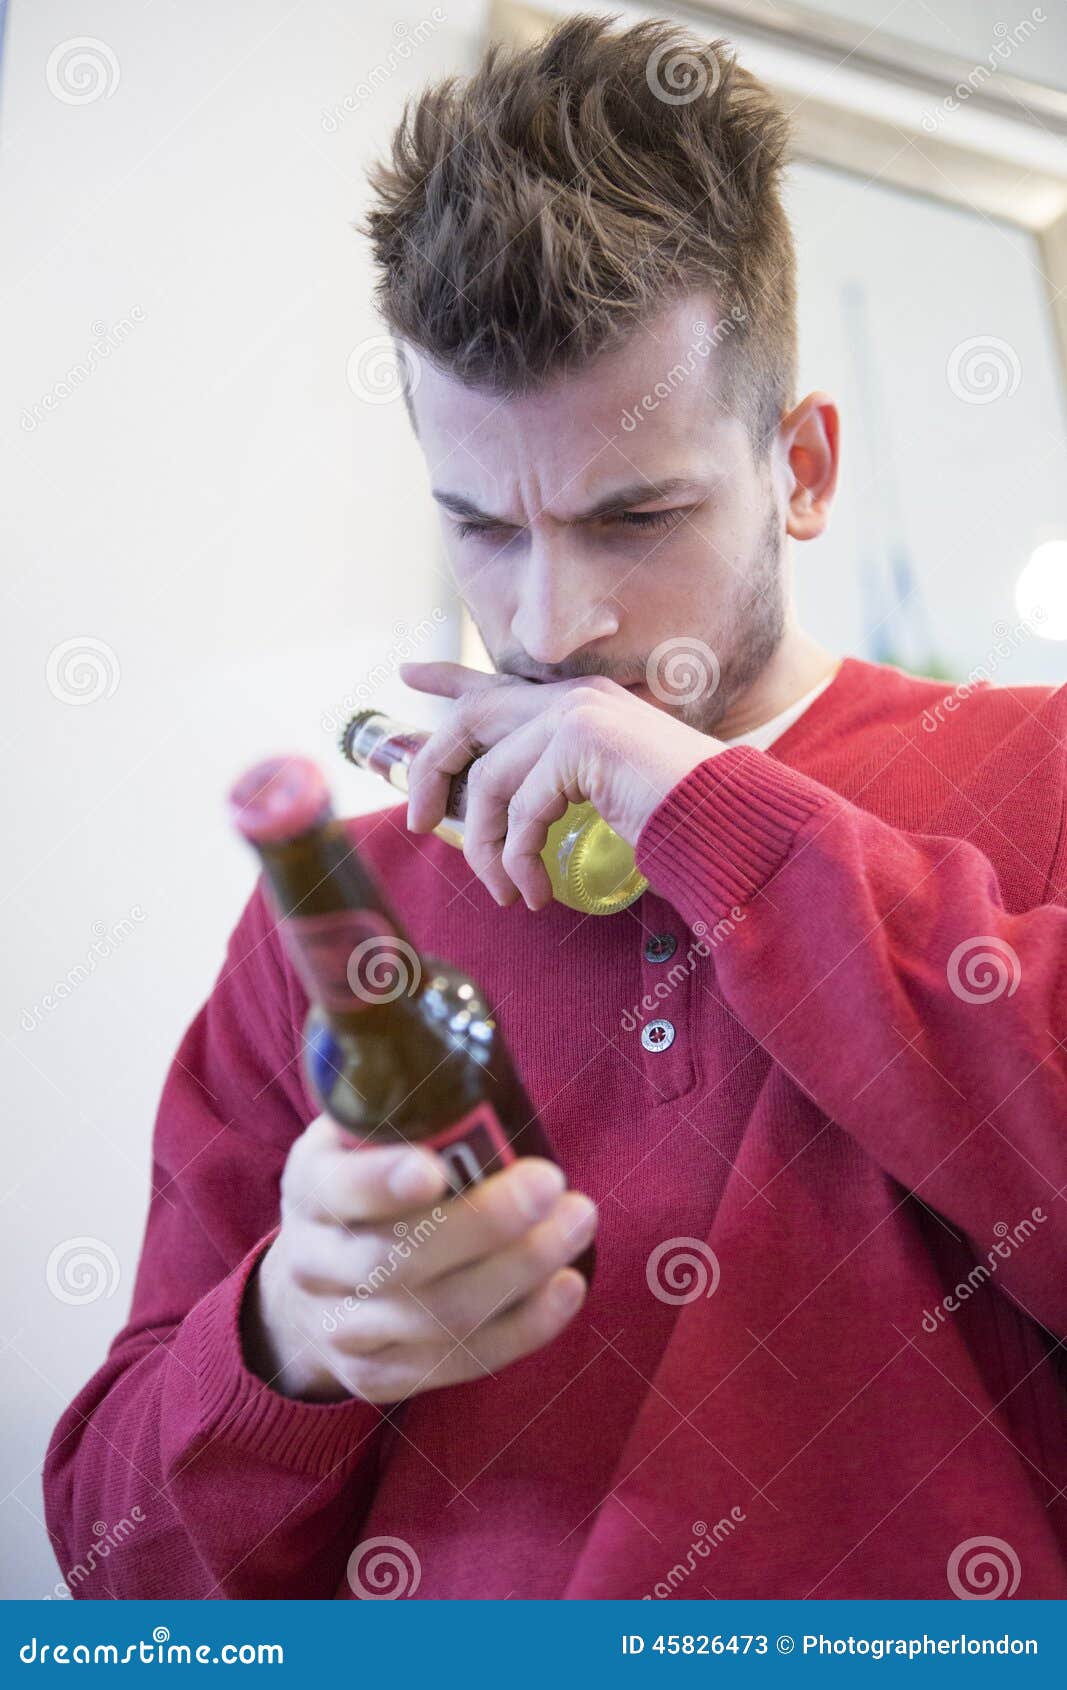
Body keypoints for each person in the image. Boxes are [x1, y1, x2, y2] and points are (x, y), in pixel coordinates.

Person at [44, 14, 1067, 1601]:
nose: (552, 621)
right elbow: (118, 1578)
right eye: (482, 525)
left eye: (636, 514)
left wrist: (711, 814)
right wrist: (288, 1344)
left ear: (799, 468)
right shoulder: (340, 909)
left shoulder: (1040, 770)